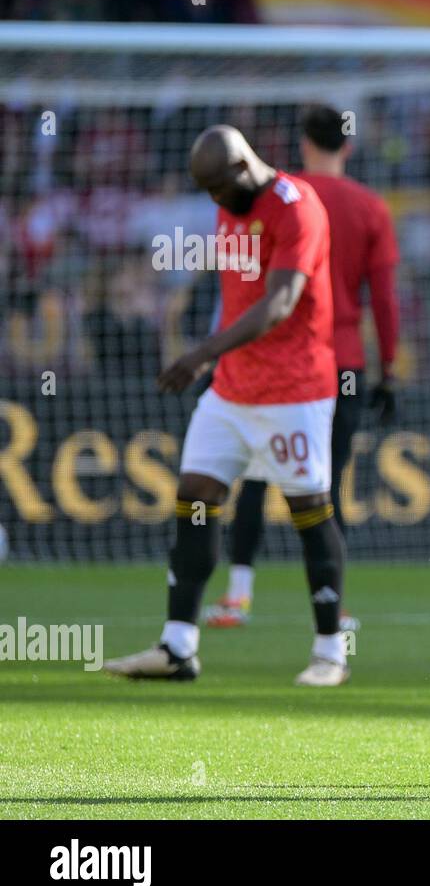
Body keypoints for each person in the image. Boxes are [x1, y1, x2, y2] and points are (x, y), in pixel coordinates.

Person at [103, 124, 350, 687]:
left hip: (294, 393)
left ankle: (330, 650)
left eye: (218, 188)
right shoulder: (229, 203)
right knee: (194, 496)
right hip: (233, 391)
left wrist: (202, 352)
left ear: (242, 168)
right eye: (206, 190)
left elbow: (281, 301)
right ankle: (177, 646)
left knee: (309, 512)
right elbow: (236, 290)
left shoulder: (296, 208)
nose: (215, 200)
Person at [204, 105, 399, 630]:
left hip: (274, 357)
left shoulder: (279, 199)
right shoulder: (369, 207)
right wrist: (393, 370)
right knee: (325, 484)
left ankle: (237, 596)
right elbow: (384, 299)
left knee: (254, 478)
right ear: (349, 146)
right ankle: (335, 607)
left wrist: (217, 348)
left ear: (303, 141)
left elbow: (242, 286)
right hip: (344, 364)